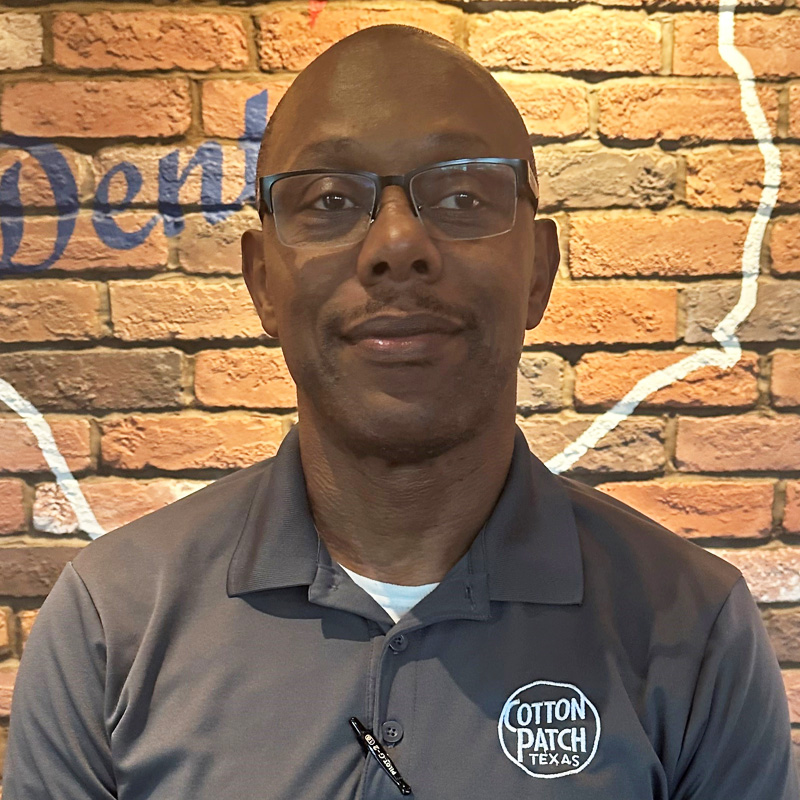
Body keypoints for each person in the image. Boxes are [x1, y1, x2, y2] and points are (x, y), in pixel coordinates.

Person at [4, 23, 797, 800]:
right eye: (328, 199)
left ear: (538, 271)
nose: (396, 244)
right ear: (262, 282)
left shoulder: (695, 630)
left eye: (461, 195)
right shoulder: (111, 622)